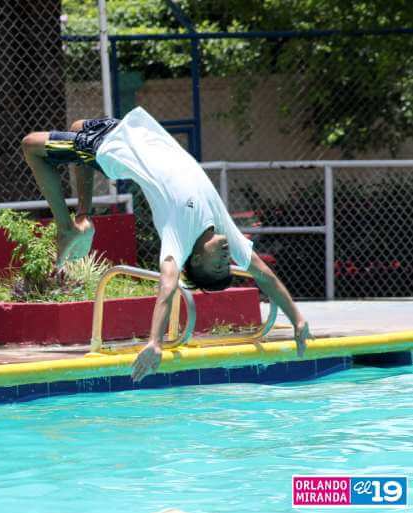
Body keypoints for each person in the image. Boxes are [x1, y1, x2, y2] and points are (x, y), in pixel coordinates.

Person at [22, 107, 311, 381]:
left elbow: (168, 287)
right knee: (76, 127)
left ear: (196, 260)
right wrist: (297, 318)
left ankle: (65, 228)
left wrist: (155, 342)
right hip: (132, 132)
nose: (227, 257)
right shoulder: (224, 230)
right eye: (228, 262)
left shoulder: (179, 235)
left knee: (31, 146)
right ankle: (82, 219)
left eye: (219, 264)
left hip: (113, 148)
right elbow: (264, 274)